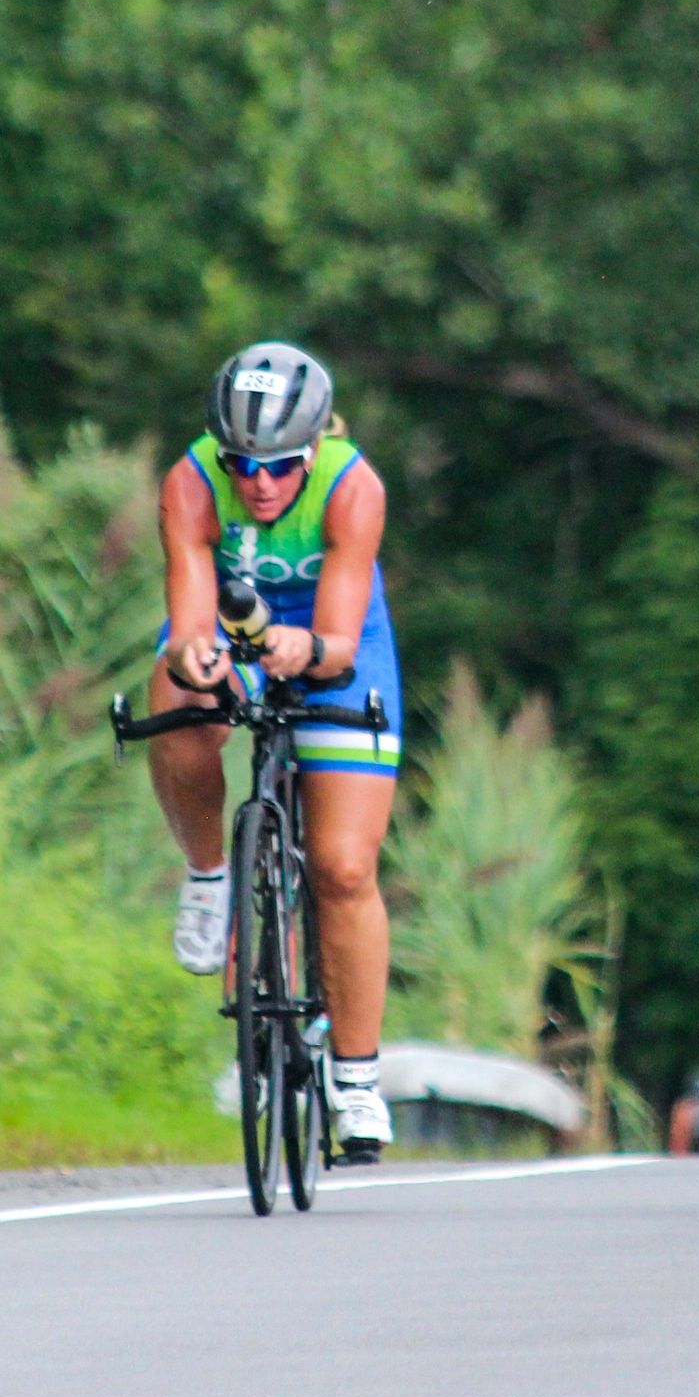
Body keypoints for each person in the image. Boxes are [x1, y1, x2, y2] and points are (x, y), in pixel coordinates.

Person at [146, 343, 404, 1159]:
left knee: (343, 868)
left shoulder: (353, 486)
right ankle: (209, 876)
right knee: (177, 702)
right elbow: (190, 620)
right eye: (243, 464)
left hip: (333, 630)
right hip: (233, 618)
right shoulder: (191, 482)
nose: (259, 484)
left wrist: (308, 650)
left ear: (315, 447)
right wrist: (196, 658)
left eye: (282, 466)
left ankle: (356, 1080)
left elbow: (338, 643)